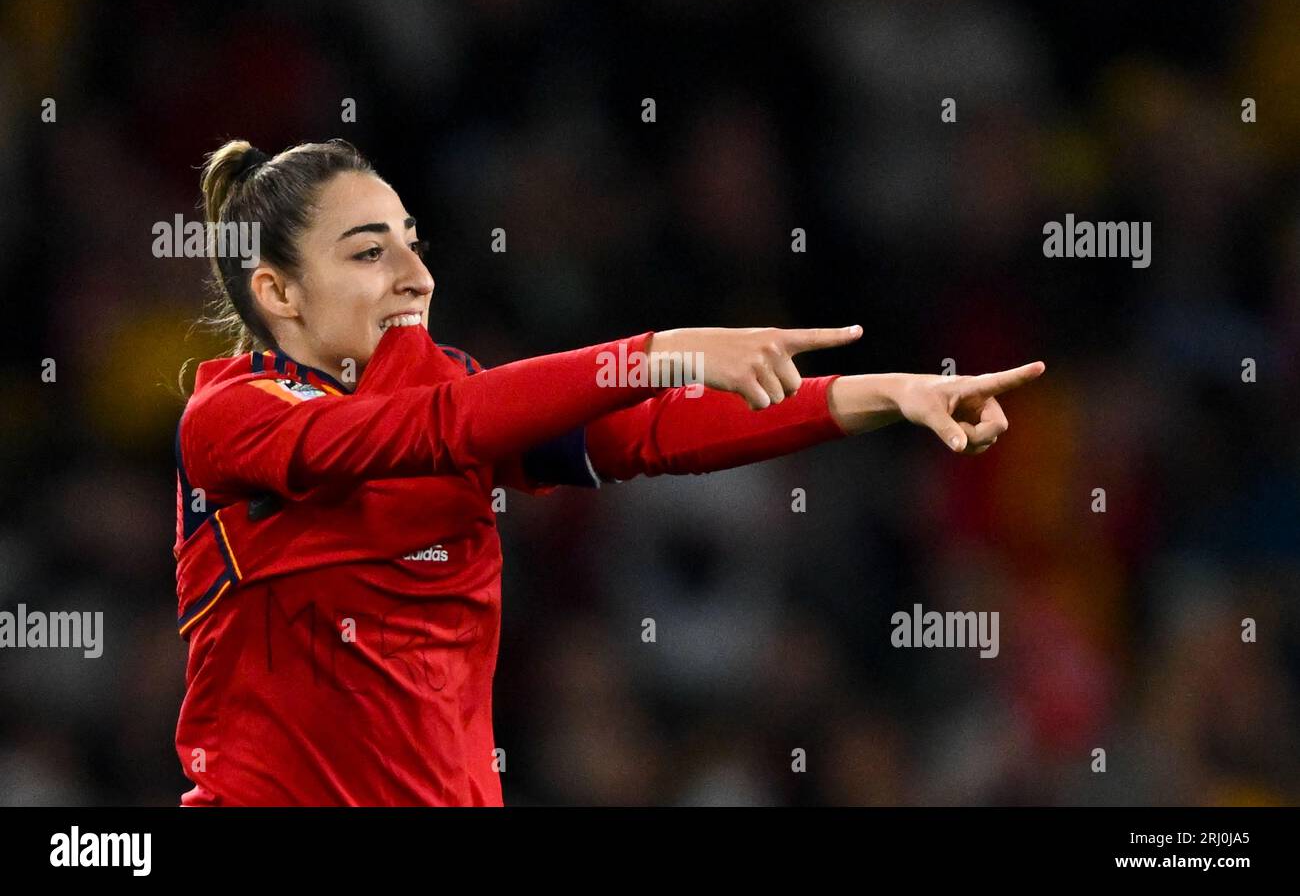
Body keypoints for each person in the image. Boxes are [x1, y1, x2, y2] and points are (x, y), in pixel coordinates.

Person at [172, 138, 1044, 805]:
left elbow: (650, 435)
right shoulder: (231, 421)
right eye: (369, 254)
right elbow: (434, 429)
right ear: (280, 295)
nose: (417, 276)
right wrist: (660, 351)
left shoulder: (450, 388)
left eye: (411, 243)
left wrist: (882, 393)